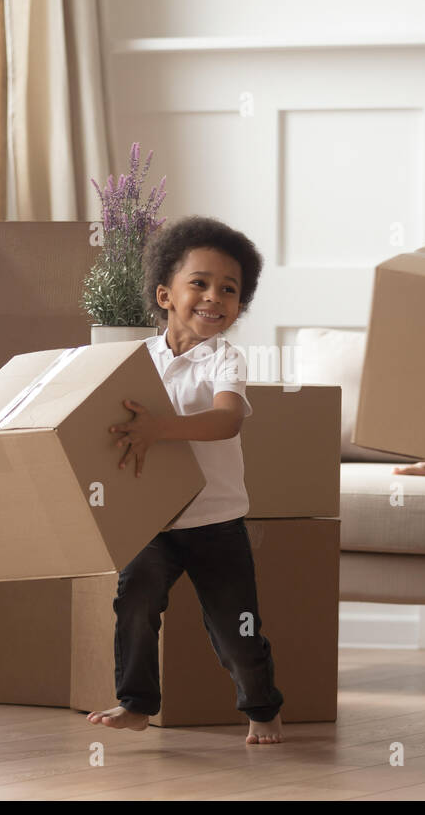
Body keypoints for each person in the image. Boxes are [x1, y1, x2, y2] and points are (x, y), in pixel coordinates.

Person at [84, 216, 285, 745]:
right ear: (165, 294)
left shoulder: (225, 359)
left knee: (236, 630)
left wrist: (159, 430)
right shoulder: (134, 361)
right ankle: (136, 704)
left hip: (216, 521)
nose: (214, 297)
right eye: (199, 283)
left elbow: (227, 420)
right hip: (153, 519)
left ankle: (262, 708)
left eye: (229, 289)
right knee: (135, 603)